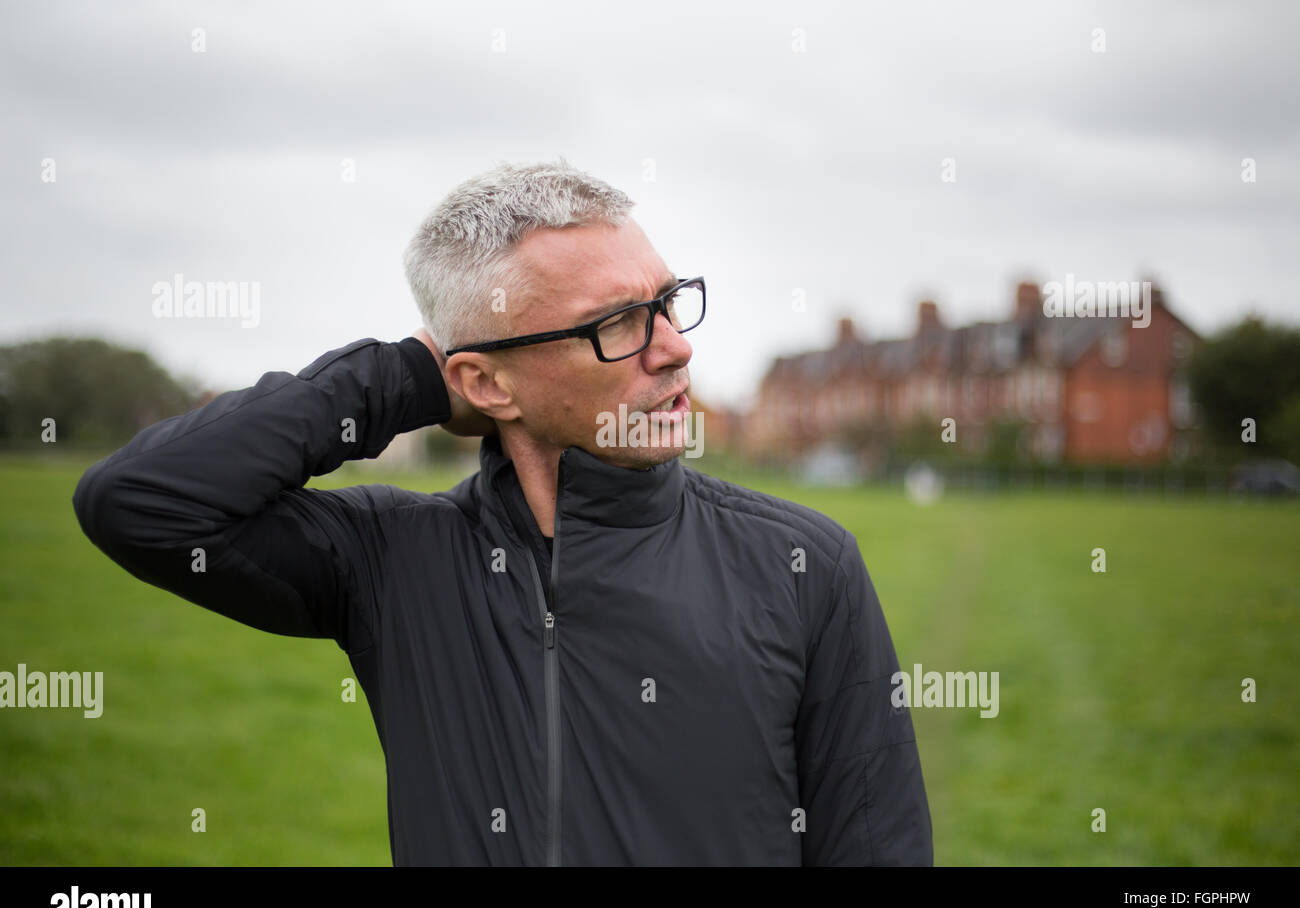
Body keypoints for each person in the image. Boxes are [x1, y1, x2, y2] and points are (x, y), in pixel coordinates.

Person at [72, 159, 933, 866]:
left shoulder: (802, 563)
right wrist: (406, 377)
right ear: (484, 383)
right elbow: (140, 503)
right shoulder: (392, 560)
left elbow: (878, 848)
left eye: (668, 300)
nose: (676, 345)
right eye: (618, 324)